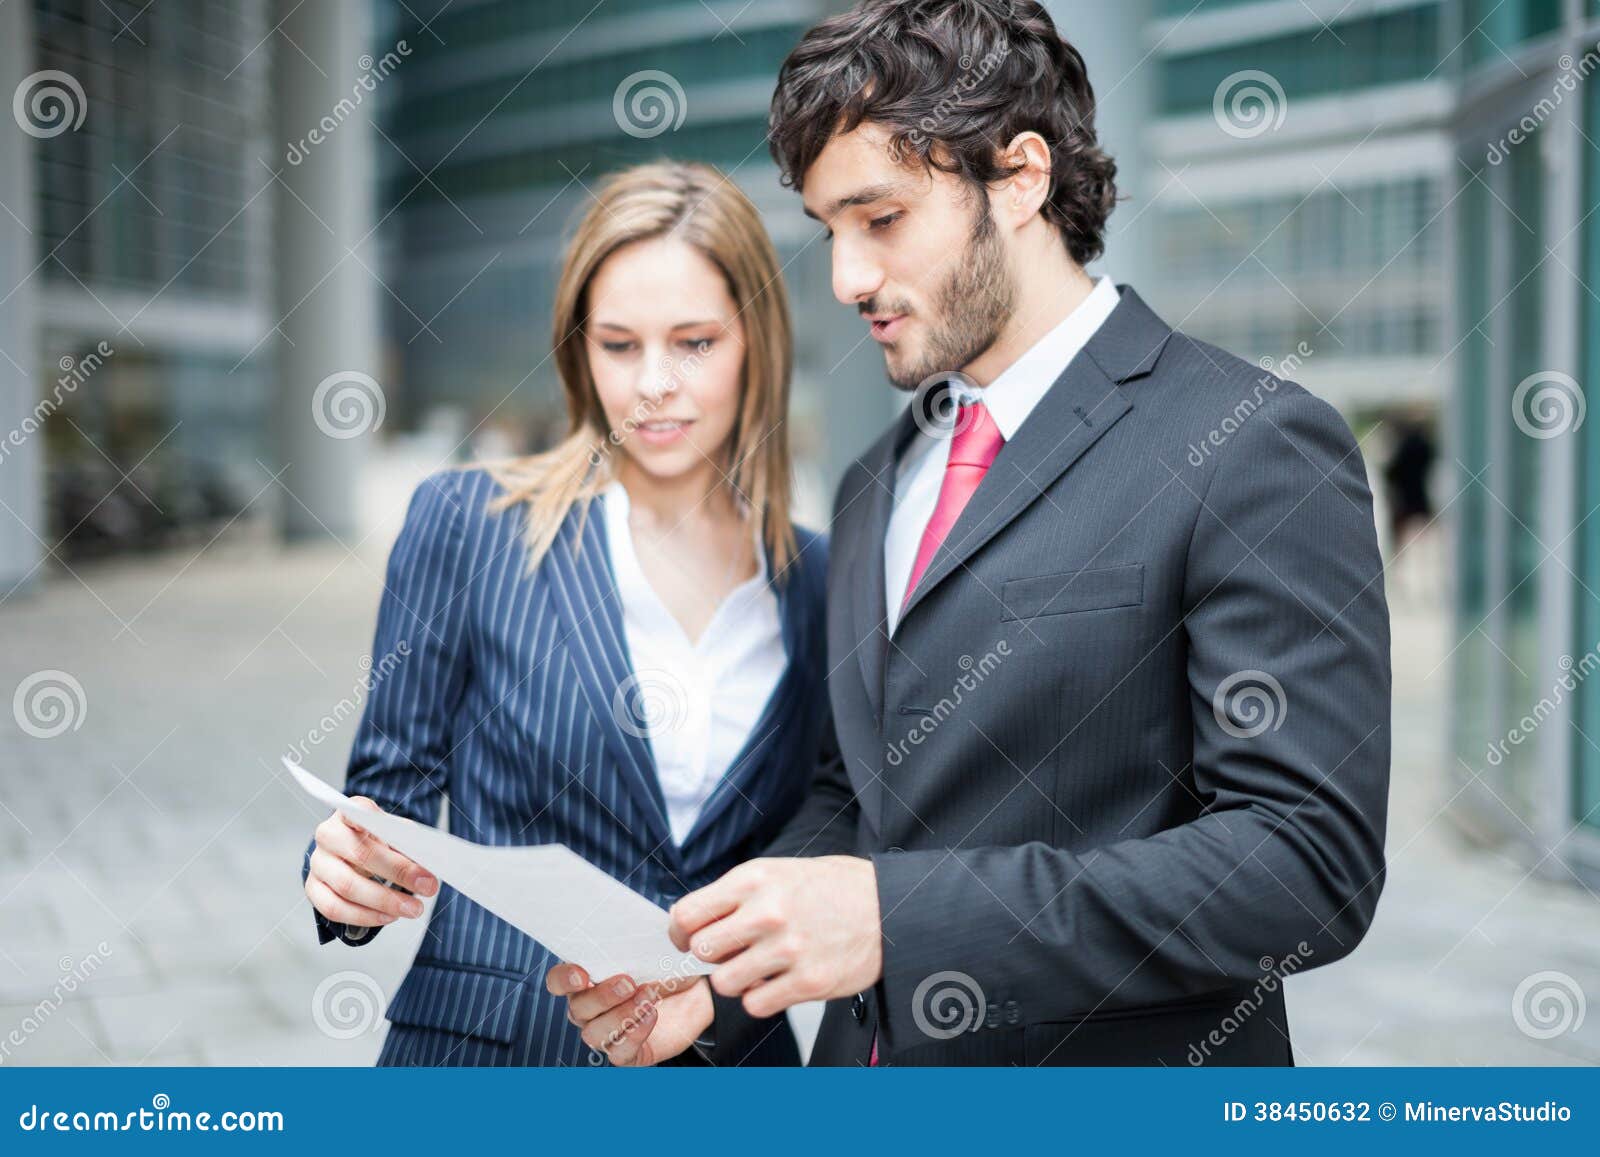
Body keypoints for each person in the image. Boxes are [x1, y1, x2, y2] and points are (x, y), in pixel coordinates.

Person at [554, 0, 1391, 1067]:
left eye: (881, 218)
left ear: (1021, 176)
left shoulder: (1248, 444)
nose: (846, 279)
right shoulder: (876, 478)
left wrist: (901, 922)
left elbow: (1304, 863)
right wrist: (715, 979)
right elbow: (859, 793)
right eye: (829, 230)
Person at [300, 161, 829, 1067]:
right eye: (619, 344)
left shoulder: (822, 578)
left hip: (726, 1064)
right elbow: (385, 801)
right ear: (578, 349)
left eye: (695, 342)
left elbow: (824, 835)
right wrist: (343, 876)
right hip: (494, 1060)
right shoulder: (467, 525)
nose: (654, 383)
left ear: (759, 344)